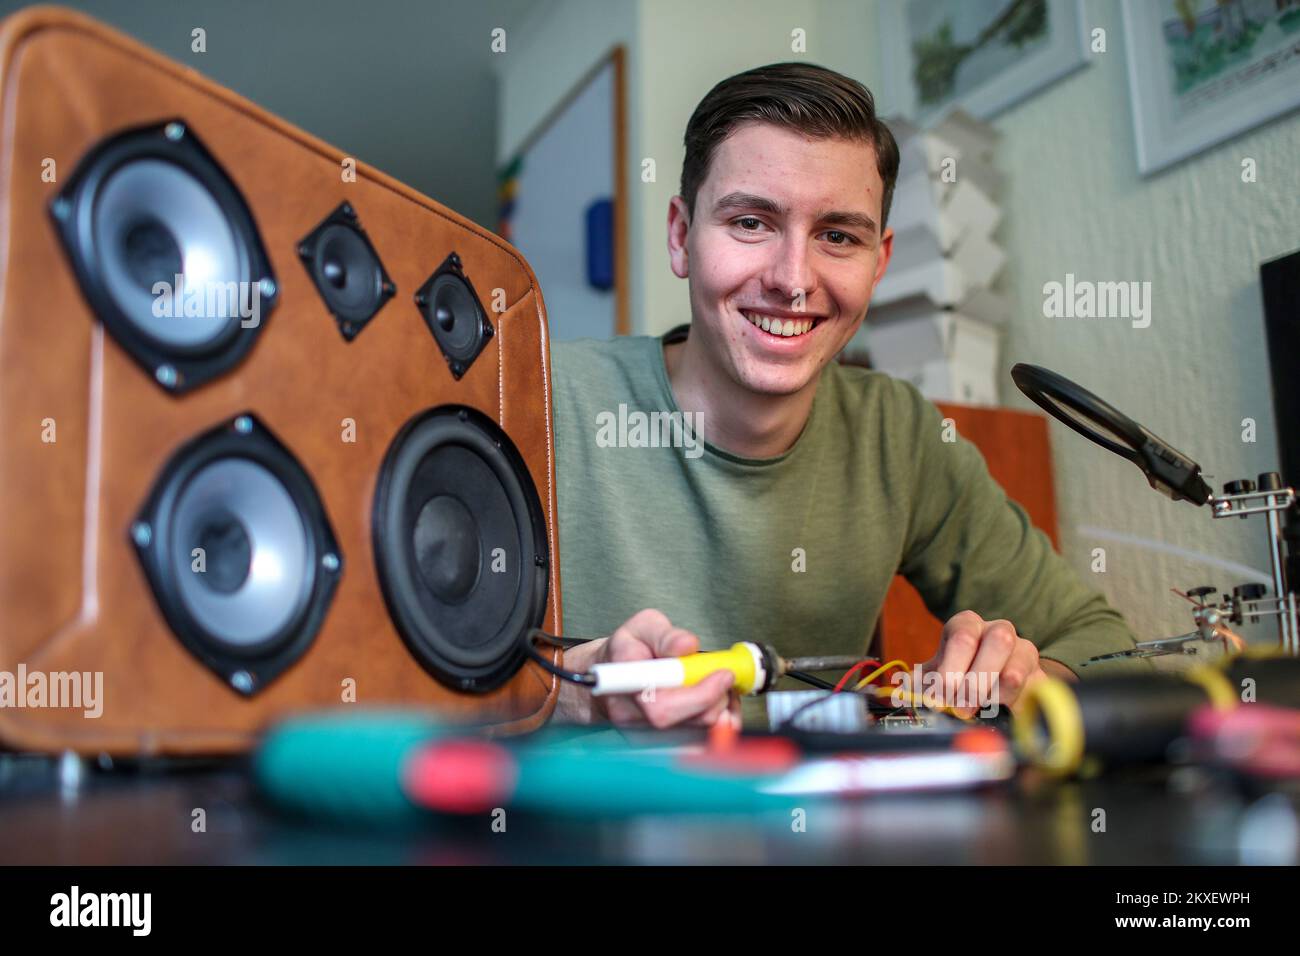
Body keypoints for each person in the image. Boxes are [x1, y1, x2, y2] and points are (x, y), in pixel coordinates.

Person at [548, 62, 1149, 730]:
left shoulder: (898, 435)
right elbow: (409, 671)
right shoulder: (540, 399)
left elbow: (1106, 646)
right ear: (680, 235)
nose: (792, 280)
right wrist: (569, 693)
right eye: (751, 222)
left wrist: (1027, 682)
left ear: (880, 261)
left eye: (837, 236)